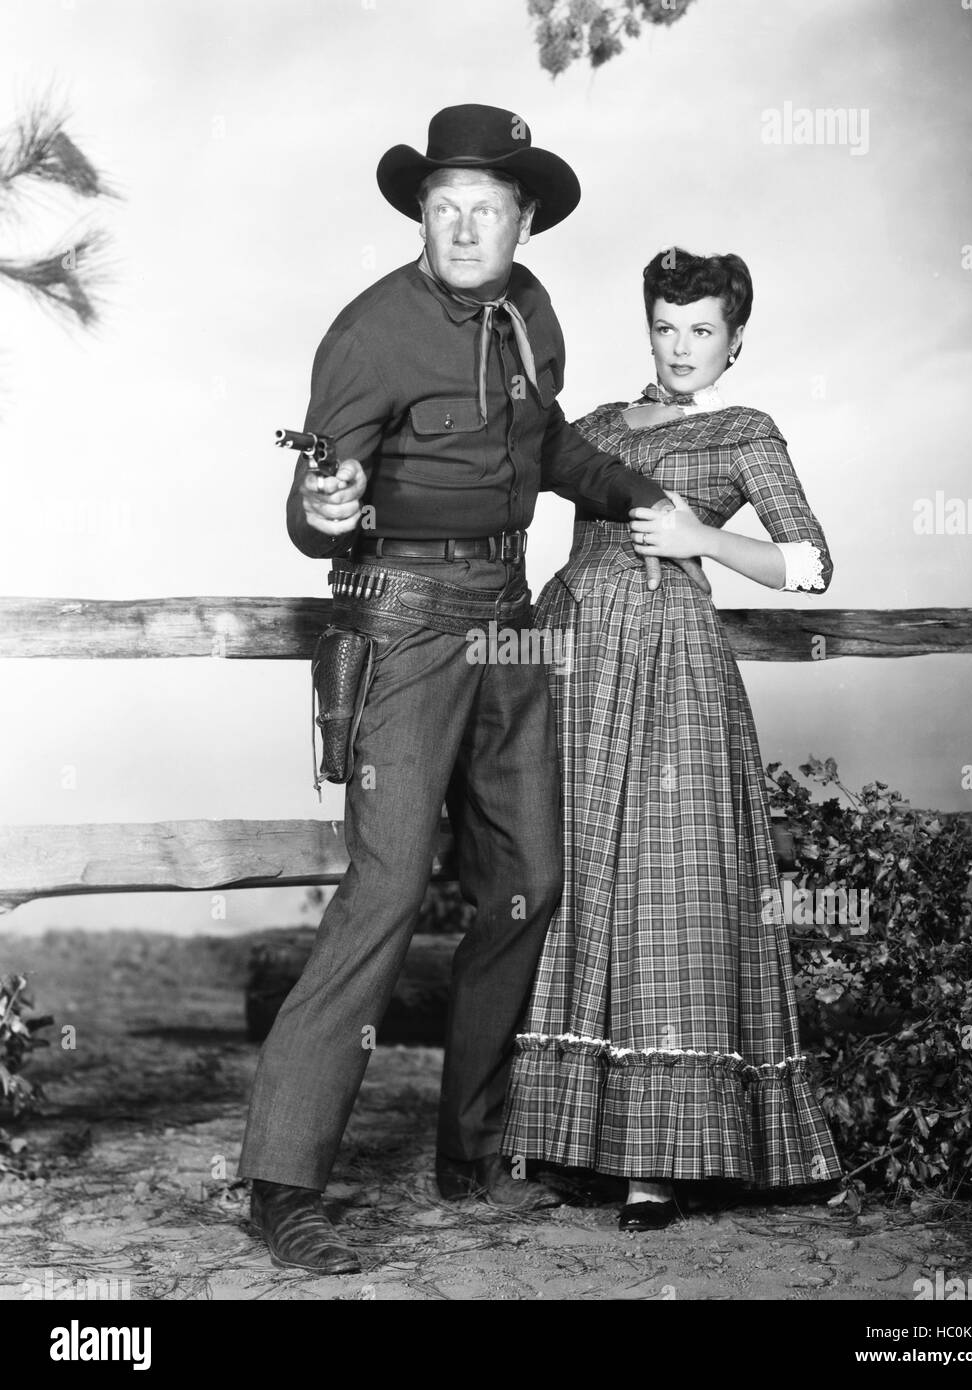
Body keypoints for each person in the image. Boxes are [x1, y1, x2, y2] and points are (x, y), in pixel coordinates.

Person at [238, 106, 693, 1272]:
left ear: (522, 216)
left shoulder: (533, 313)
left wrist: (640, 496)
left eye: (484, 205)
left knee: (525, 882)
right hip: (400, 622)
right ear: (421, 209)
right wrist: (321, 511)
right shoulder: (369, 331)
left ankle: (469, 1151)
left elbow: (542, 452)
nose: (461, 223)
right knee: (387, 888)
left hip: (509, 617)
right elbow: (315, 500)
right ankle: (282, 1179)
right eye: (442, 203)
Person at [502, 249, 843, 1231]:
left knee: (667, 889)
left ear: (734, 341)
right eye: (665, 325)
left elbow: (807, 565)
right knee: (567, 876)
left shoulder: (742, 431)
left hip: (673, 671)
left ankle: (657, 1164)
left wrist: (703, 539)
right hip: (572, 662)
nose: (681, 345)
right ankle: (565, 1138)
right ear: (647, 326)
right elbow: (505, 467)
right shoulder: (599, 427)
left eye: (701, 329)